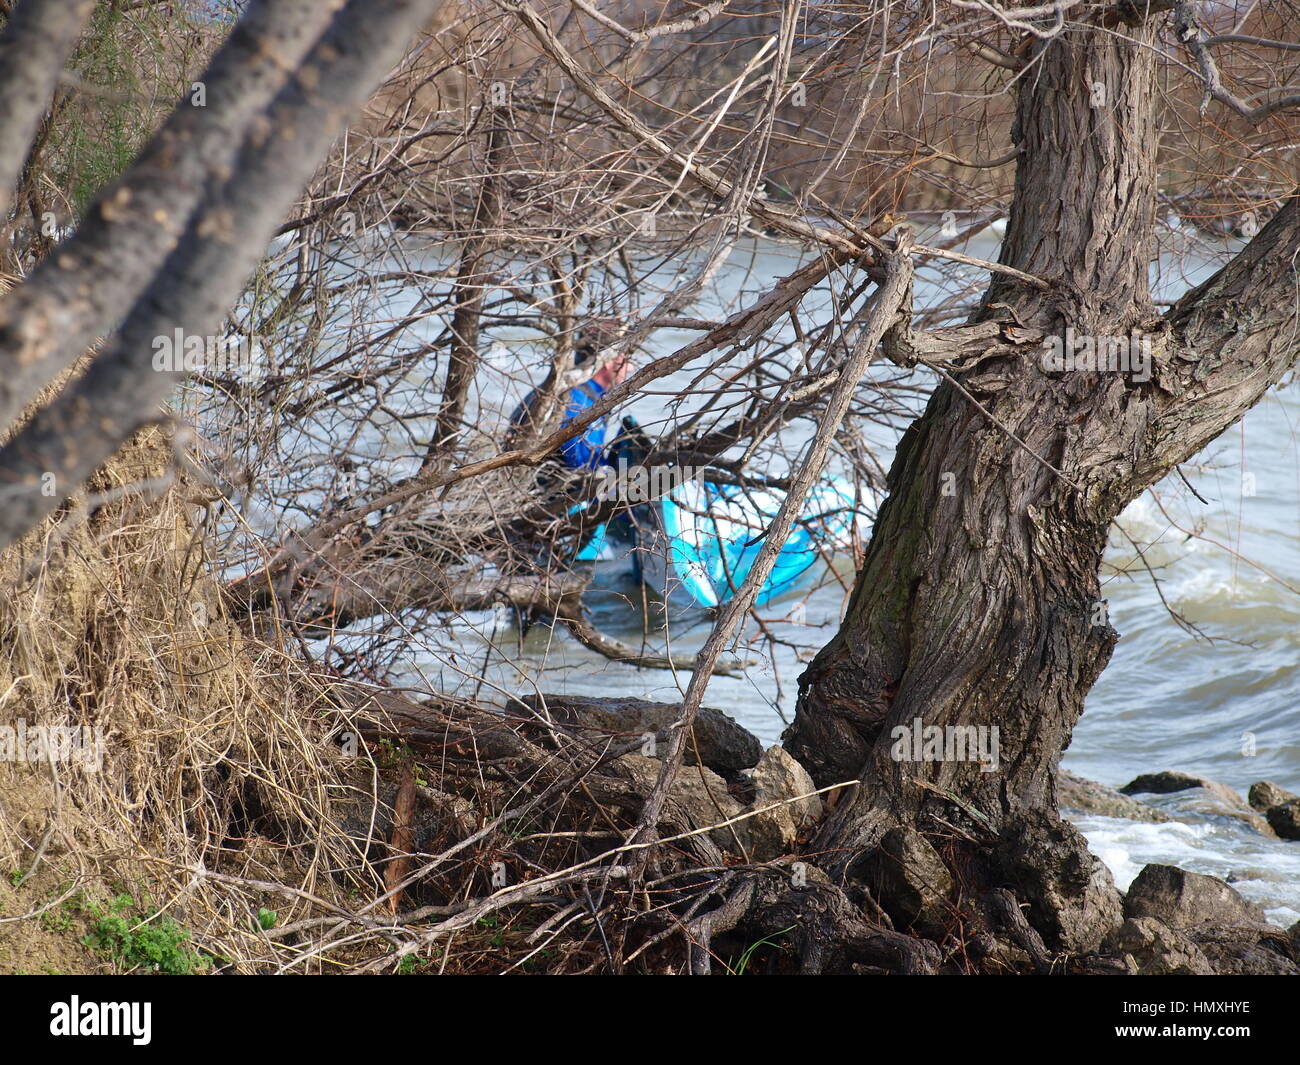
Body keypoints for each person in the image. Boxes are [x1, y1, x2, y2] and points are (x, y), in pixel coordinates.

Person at [510, 319, 634, 470]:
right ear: (607, 360)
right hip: (549, 487)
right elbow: (585, 469)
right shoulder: (577, 402)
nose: (630, 367)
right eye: (625, 359)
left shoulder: (585, 393)